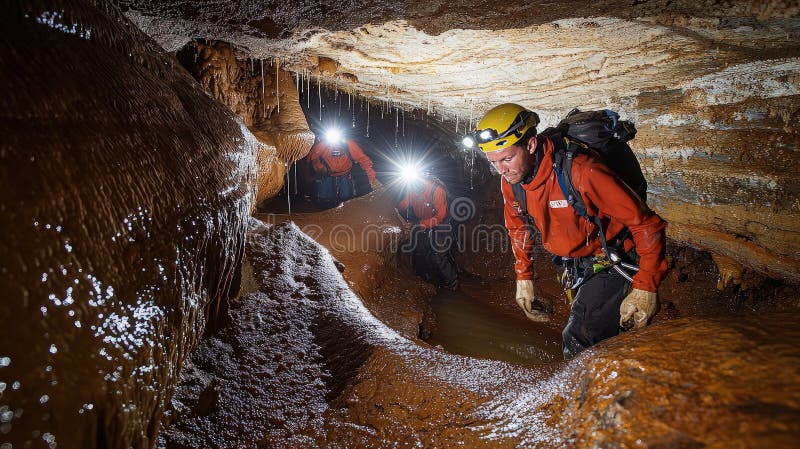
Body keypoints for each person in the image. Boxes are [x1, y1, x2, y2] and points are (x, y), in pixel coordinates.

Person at [473, 103, 667, 359]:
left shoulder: (581, 171)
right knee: (601, 334)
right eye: (494, 162)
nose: (502, 170)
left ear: (530, 145)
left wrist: (646, 288)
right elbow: (517, 228)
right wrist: (523, 277)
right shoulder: (512, 181)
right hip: (573, 264)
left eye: (507, 159)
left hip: (611, 259)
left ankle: (585, 397)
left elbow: (646, 223)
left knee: (579, 339)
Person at [396, 177, 459, 291]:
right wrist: (395, 209)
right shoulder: (412, 187)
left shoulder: (436, 190)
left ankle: (452, 283)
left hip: (442, 224)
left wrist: (421, 224)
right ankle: (431, 280)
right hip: (424, 222)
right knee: (421, 251)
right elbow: (405, 203)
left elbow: (440, 217)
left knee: (437, 255)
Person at [307, 130, 379, 207]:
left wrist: (371, 176)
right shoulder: (323, 145)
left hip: (345, 176)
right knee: (325, 199)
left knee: (346, 200)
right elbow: (312, 157)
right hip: (327, 175)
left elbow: (363, 159)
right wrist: (318, 165)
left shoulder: (348, 144)